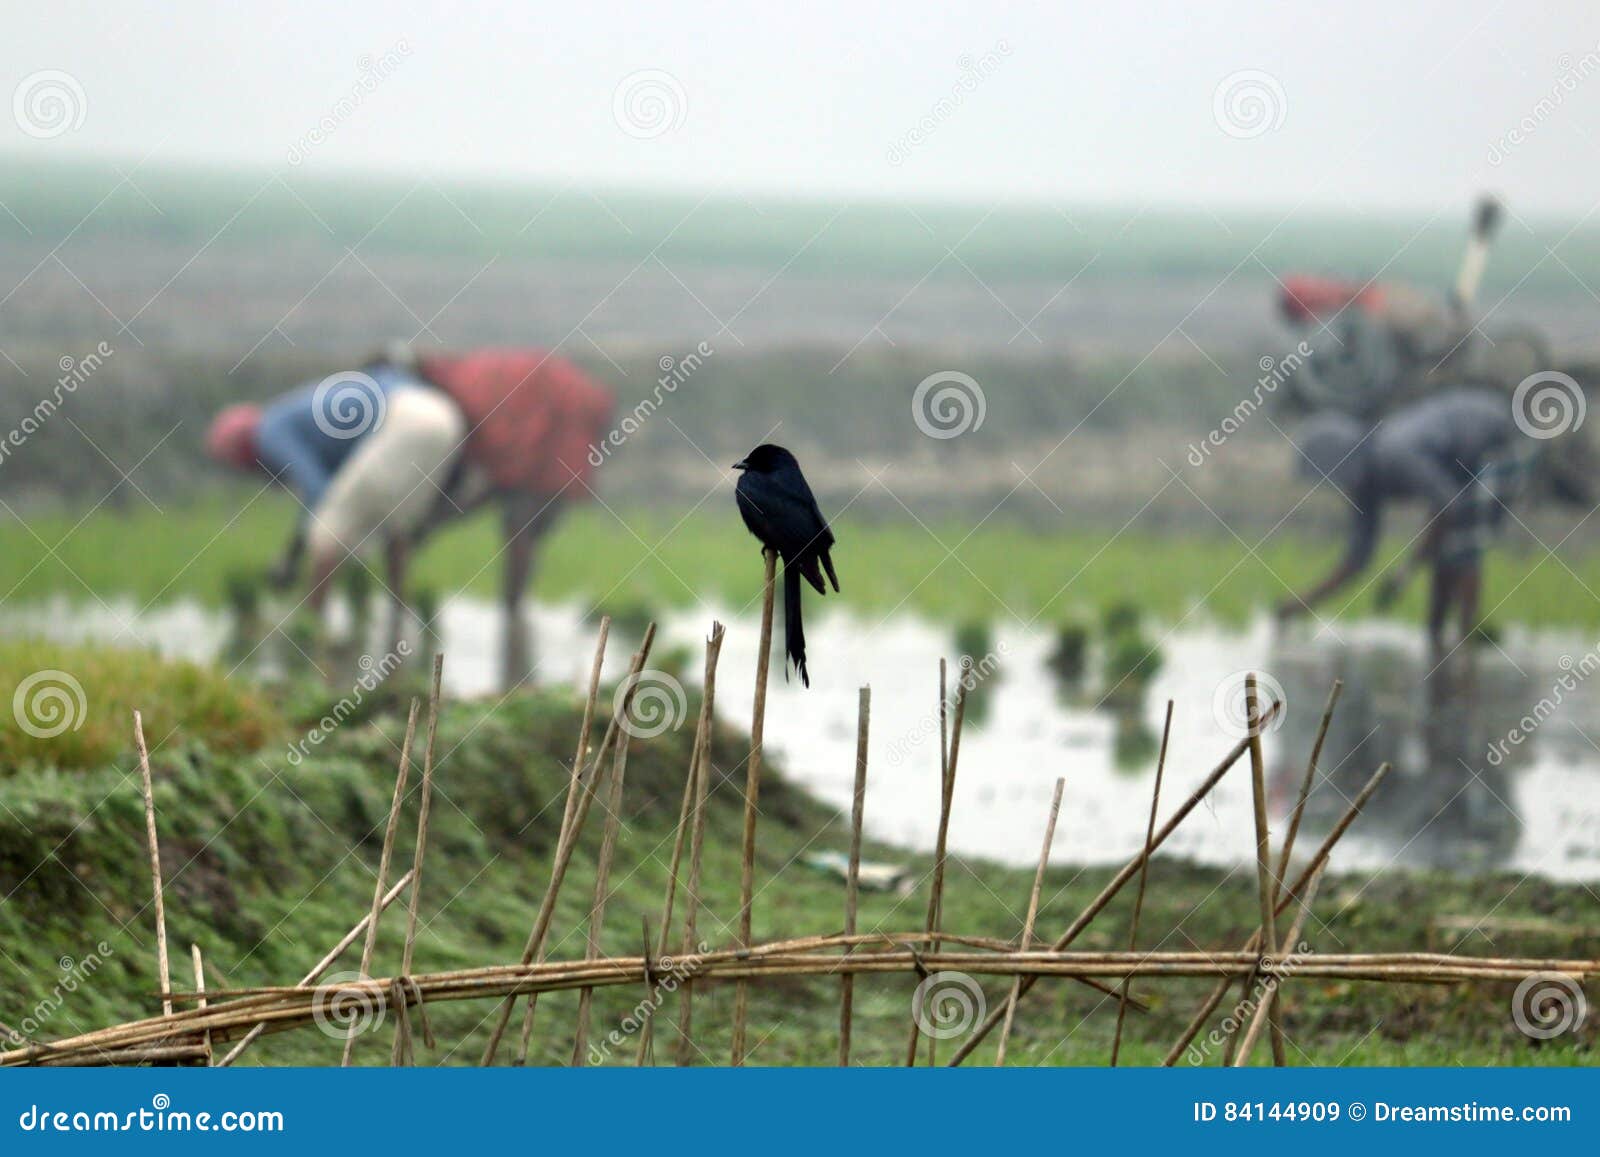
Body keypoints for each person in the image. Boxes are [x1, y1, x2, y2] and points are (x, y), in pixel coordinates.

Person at [206, 347, 613, 684]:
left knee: (327, 536)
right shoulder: (327, 403)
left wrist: (293, 556)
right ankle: (401, 627)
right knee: (397, 527)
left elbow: (318, 492)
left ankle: (308, 638)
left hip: (411, 421)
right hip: (446, 423)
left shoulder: (269, 430)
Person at [1275, 387, 1535, 651]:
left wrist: (1406, 571)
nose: (1342, 488)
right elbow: (1356, 561)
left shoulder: (1394, 454)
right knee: (1447, 547)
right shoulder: (1366, 486)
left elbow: (1448, 506)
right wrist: (1300, 604)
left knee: (1459, 543)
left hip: (1500, 443)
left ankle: (1466, 638)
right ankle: (1438, 642)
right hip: (1460, 468)